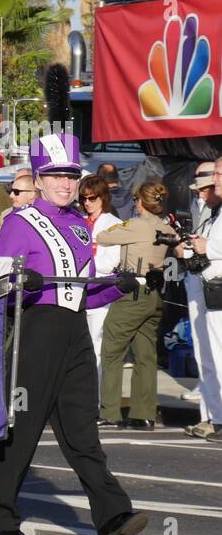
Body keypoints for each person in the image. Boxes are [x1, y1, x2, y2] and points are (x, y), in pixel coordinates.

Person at [0, 131, 148, 535]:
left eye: (71, 176)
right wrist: (25, 284)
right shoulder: (18, 224)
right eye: (55, 175)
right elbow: (2, 288)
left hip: (73, 332)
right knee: (20, 431)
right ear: (38, 179)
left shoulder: (78, 225)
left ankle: (113, 516)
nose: (65, 183)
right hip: (35, 332)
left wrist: (118, 286)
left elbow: (83, 291)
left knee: (83, 432)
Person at [95, 182, 172, 430]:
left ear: (140, 202)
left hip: (134, 292)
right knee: (146, 355)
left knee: (112, 349)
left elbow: (103, 237)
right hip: (154, 293)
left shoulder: (137, 225)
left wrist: (123, 225)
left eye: (137, 199)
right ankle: (144, 412)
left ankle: (109, 411)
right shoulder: (165, 227)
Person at [179, 163, 221, 438]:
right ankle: (215, 417)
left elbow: (213, 246)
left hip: (216, 286)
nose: (213, 182)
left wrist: (209, 247)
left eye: (217, 175)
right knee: (212, 356)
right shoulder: (213, 212)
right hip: (208, 286)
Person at [78, 174, 121, 384]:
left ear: (103, 197)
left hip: (101, 292)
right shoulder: (78, 221)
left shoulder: (114, 224)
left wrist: (88, 261)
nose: (87, 203)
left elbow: (111, 262)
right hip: (79, 291)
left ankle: (95, 400)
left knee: (97, 346)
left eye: (92, 198)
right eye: (84, 199)